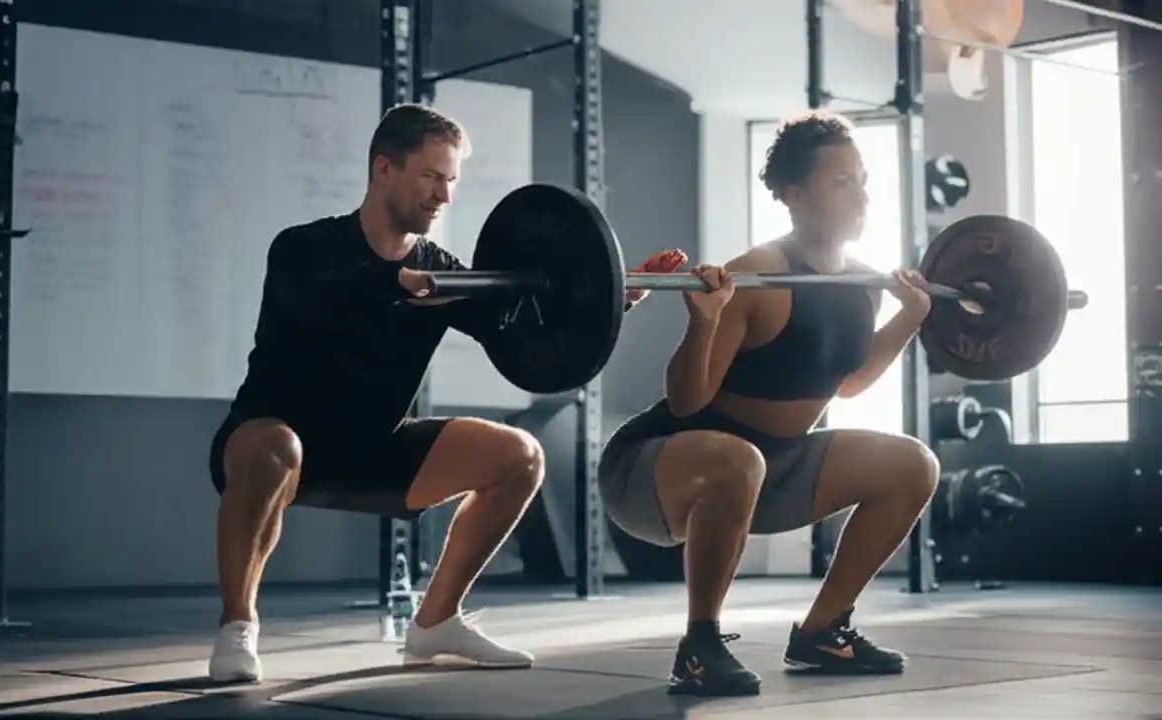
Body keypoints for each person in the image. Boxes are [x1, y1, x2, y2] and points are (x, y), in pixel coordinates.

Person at [206, 103, 684, 683]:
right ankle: (238, 628)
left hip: (373, 452)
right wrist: (399, 288)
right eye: (430, 177)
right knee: (273, 444)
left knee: (518, 457)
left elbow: (520, 329)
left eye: (450, 180)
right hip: (271, 444)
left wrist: (613, 292)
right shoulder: (302, 248)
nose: (443, 196)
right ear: (384, 168)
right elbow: (325, 301)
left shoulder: (438, 269)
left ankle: (435, 623)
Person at [599, 111, 940, 697]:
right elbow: (687, 402)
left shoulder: (860, 283)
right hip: (654, 471)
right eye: (842, 182)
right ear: (795, 194)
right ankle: (699, 646)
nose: (861, 195)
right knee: (738, 460)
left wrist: (910, 318)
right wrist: (702, 325)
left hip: (771, 466)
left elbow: (849, 382)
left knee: (914, 465)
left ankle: (823, 631)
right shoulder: (755, 275)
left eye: (862, 179)